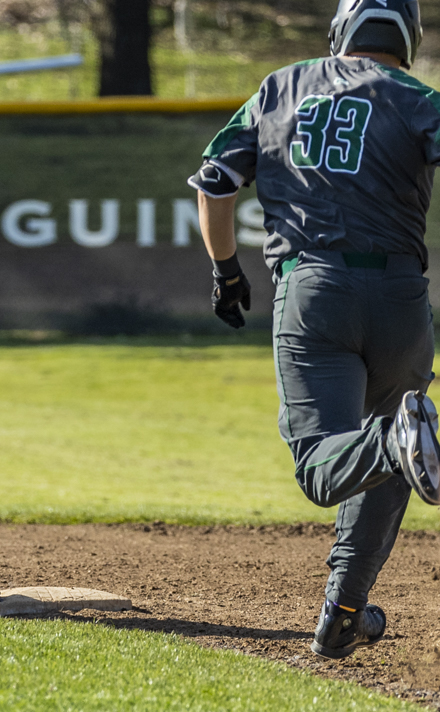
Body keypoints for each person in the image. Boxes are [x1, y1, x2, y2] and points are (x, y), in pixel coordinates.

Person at [189, 0, 440, 660]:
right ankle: (343, 612)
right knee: (393, 461)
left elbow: (216, 182)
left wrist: (226, 273)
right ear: (408, 36)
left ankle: (396, 433)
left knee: (324, 463)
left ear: (341, 28)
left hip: (315, 289)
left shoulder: (281, 86)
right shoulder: (419, 96)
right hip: (402, 296)